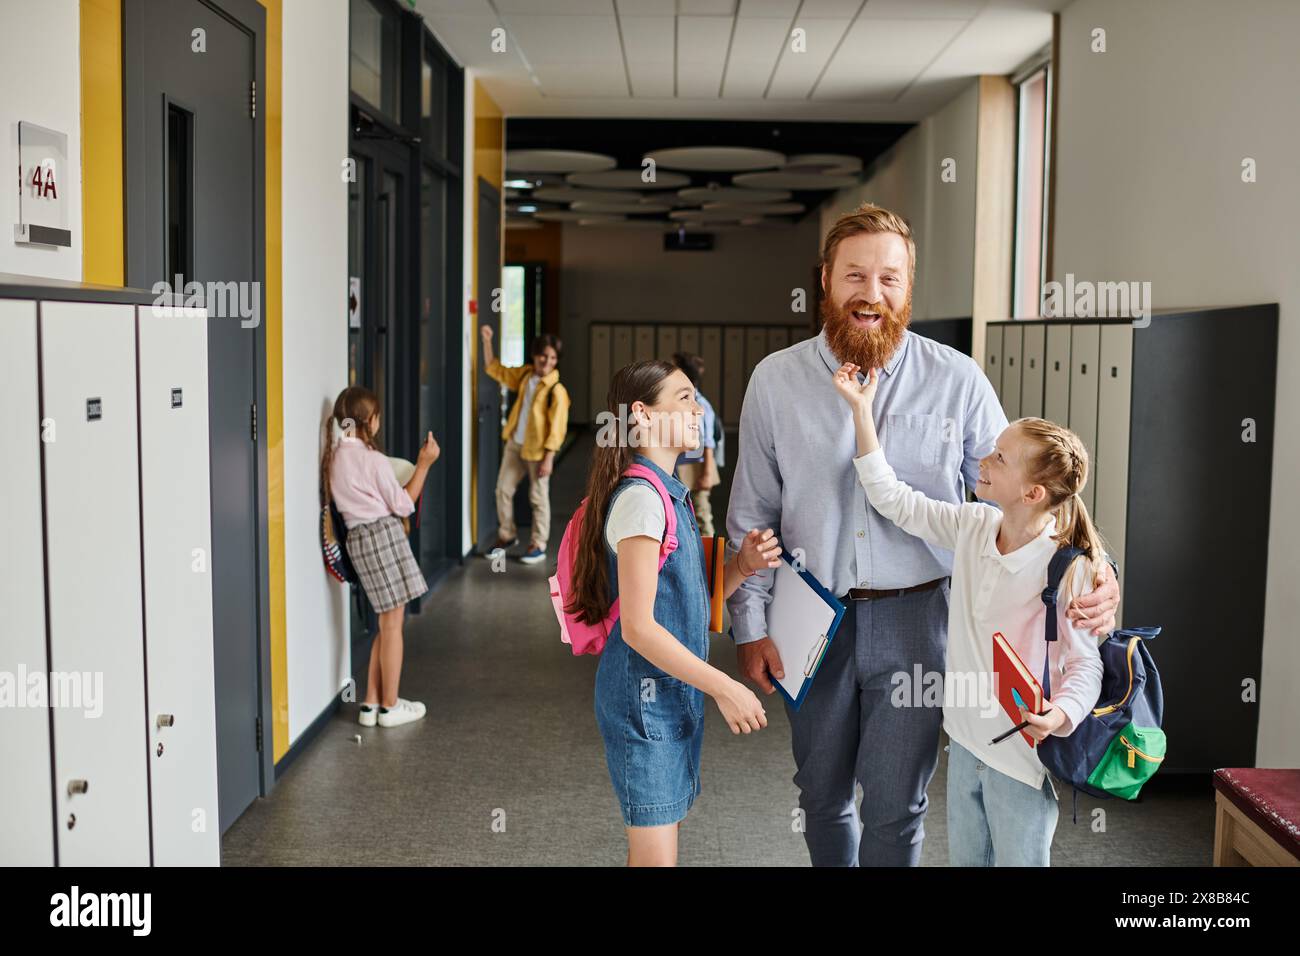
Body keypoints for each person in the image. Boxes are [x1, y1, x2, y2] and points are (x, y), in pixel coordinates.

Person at [725, 202, 1121, 866]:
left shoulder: (957, 380)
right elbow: (750, 516)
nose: (871, 295)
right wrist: (749, 624)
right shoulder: (776, 381)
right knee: (820, 795)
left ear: (908, 287)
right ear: (825, 280)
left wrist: (1095, 569)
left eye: (889, 279)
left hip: (920, 620)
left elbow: (1030, 492)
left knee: (897, 804)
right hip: (808, 616)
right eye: (855, 277)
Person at [834, 361, 1104, 865]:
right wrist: (861, 410)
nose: (983, 459)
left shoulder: (1067, 569)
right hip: (964, 741)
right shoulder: (975, 525)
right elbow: (895, 500)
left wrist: (1061, 713)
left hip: (1022, 759)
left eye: (999, 457)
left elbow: (1086, 663)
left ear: (1032, 493)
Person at [568, 360, 780, 866]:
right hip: (644, 707)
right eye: (683, 398)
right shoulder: (642, 499)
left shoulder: (668, 493)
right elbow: (639, 629)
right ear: (641, 414)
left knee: (659, 846)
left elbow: (687, 598)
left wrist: (742, 567)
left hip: (669, 697)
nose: (697, 409)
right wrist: (724, 686)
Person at [322, 386, 440, 728]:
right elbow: (405, 504)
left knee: (385, 624)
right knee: (393, 625)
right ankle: (390, 706)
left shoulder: (335, 457)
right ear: (369, 421)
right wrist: (424, 464)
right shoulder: (370, 459)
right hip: (382, 536)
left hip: (359, 540)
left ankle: (370, 703)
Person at [480, 324, 570, 565]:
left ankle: (538, 544)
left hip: (538, 452)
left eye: (552, 357)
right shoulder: (524, 376)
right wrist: (487, 341)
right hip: (515, 445)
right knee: (503, 490)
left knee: (538, 498)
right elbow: (494, 369)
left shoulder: (556, 391)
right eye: (543, 355)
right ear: (534, 355)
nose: (547, 361)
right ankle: (507, 536)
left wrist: (549, 457)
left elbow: (558, 428)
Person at [670, 351, 721, 535]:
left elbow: (708, 443)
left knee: (701, 513)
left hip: (697, 467)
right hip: (682, 465)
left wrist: (706, 473)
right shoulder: (680, 402)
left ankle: (711, 559)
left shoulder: (701, 404)